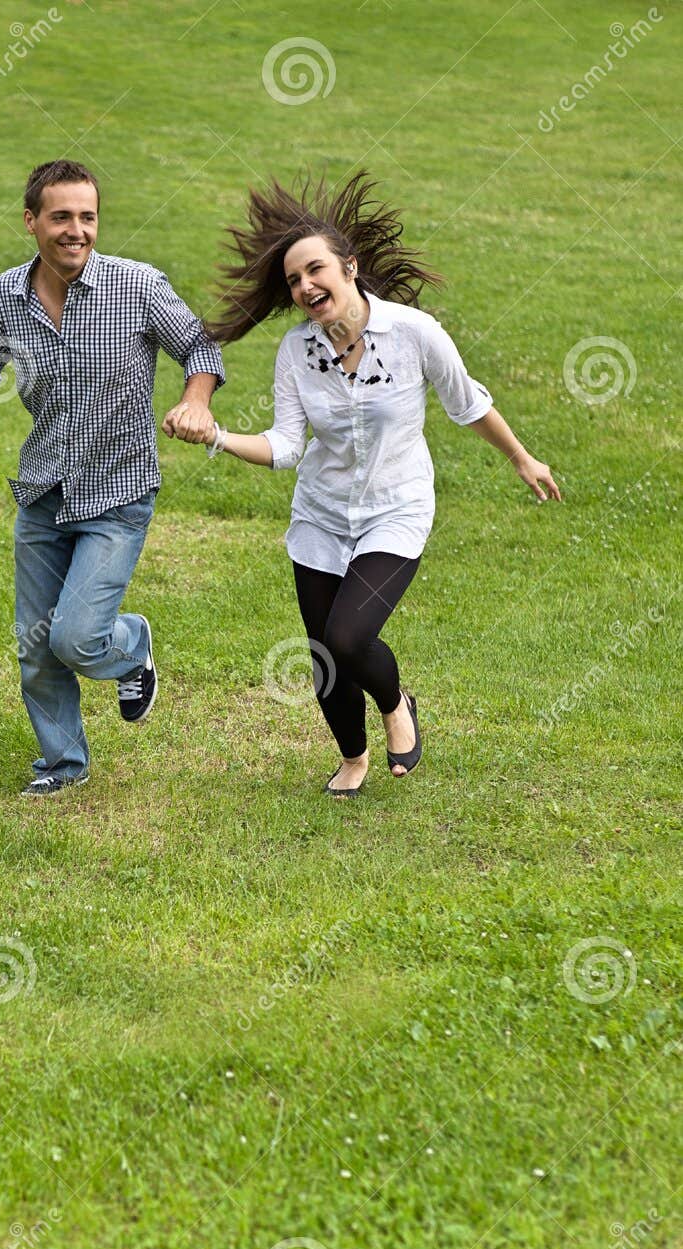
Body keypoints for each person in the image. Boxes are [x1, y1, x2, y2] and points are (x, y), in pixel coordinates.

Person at [169, 171, 561, 796]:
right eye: (294, 280)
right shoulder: (296, 353)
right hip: (321, 514)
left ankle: (396, 704)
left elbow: (467, 402)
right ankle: (352, 757)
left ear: (349, 268)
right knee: (324, 654)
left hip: (396, 506)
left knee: (349, 638)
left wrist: (521, 457)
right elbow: (286, 448)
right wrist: (214, 435)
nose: (304, 286)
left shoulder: (414, 333)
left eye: (314, 270)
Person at [0, 159, 224, 797]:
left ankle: (132, 643)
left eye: (87, 217)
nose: (76, 230)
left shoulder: (136, 286)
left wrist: (196, 401)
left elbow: (201, 347)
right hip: (43, 488)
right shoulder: (10, 293)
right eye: (61, 217)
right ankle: (62, 765)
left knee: (77, 636)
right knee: (36, 647)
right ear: (31, 221)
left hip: (117, 493)